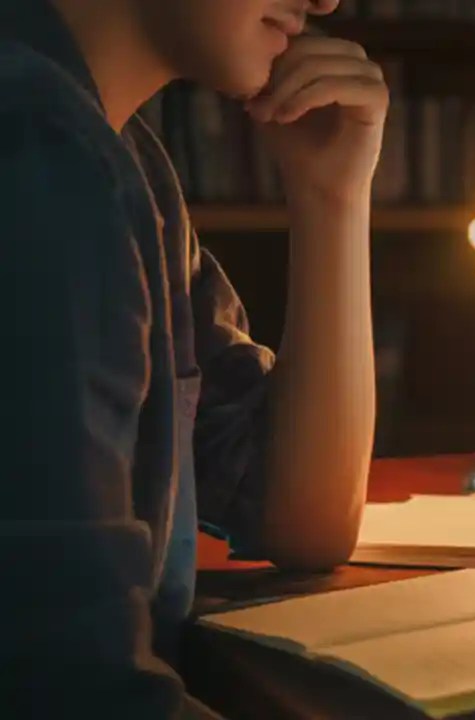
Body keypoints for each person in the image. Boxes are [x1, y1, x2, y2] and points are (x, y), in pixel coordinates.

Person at [0, 0, 384, 716]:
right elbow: (67, 684)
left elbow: (301, 521)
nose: (330, 0)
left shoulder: (127, 161)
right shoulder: (35, 145)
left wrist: (332, 197)